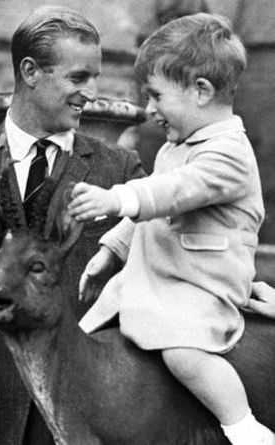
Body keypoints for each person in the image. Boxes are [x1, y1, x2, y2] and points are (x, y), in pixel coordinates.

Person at [0, 6, 145, 445]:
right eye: (78, 78)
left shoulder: (120, 171)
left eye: (95, 78)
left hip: (89, 420)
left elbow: (158, 274)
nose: (92, 93)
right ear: (30, 71)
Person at [71, 13, 274, 445]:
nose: (150, 110)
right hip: (155, 278)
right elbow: (151, 216)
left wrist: (117, 197)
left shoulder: (229, 155)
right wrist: (111, 250)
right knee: (84, 340)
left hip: (200, 285)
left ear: (201, 91)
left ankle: (242, 425)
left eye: (156, 96)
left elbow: (174, 193)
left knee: (182, 352)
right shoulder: (173, 147)